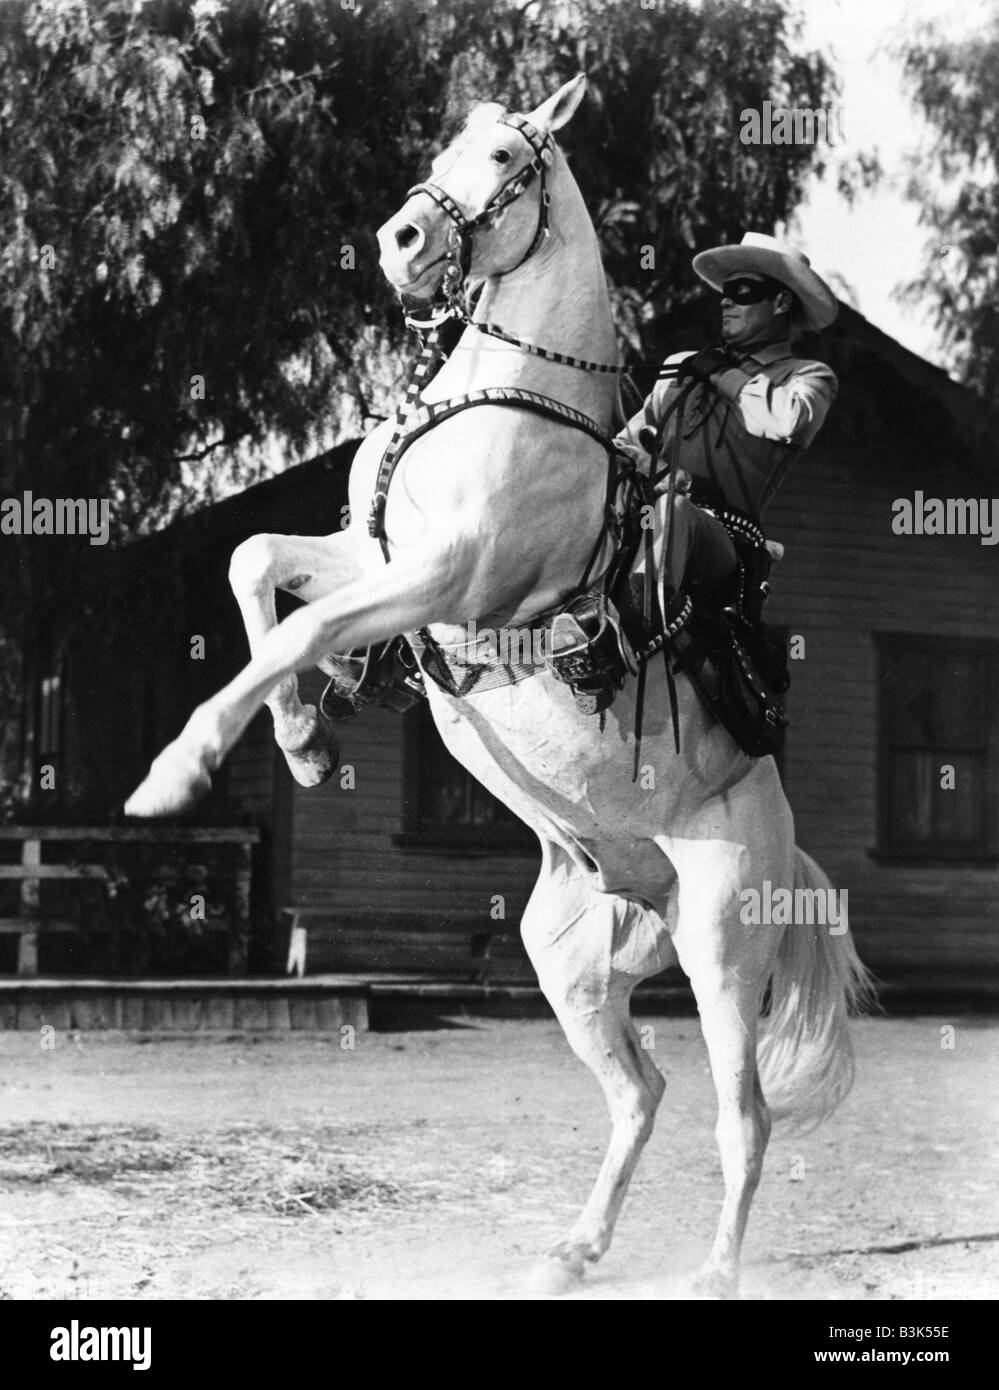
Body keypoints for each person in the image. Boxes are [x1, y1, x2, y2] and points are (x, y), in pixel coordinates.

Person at [614, 231, 840, 606]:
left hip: (726, 541)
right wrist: (655, 470)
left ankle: (639, 618)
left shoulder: (808, 376)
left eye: (744, 292)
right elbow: (625, 444)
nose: (727, 303)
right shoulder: (682, 366)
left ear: (782, 301)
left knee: (676, 508)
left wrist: (723, 376)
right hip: (648, 520)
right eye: (726, 293)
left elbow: (791, 421)